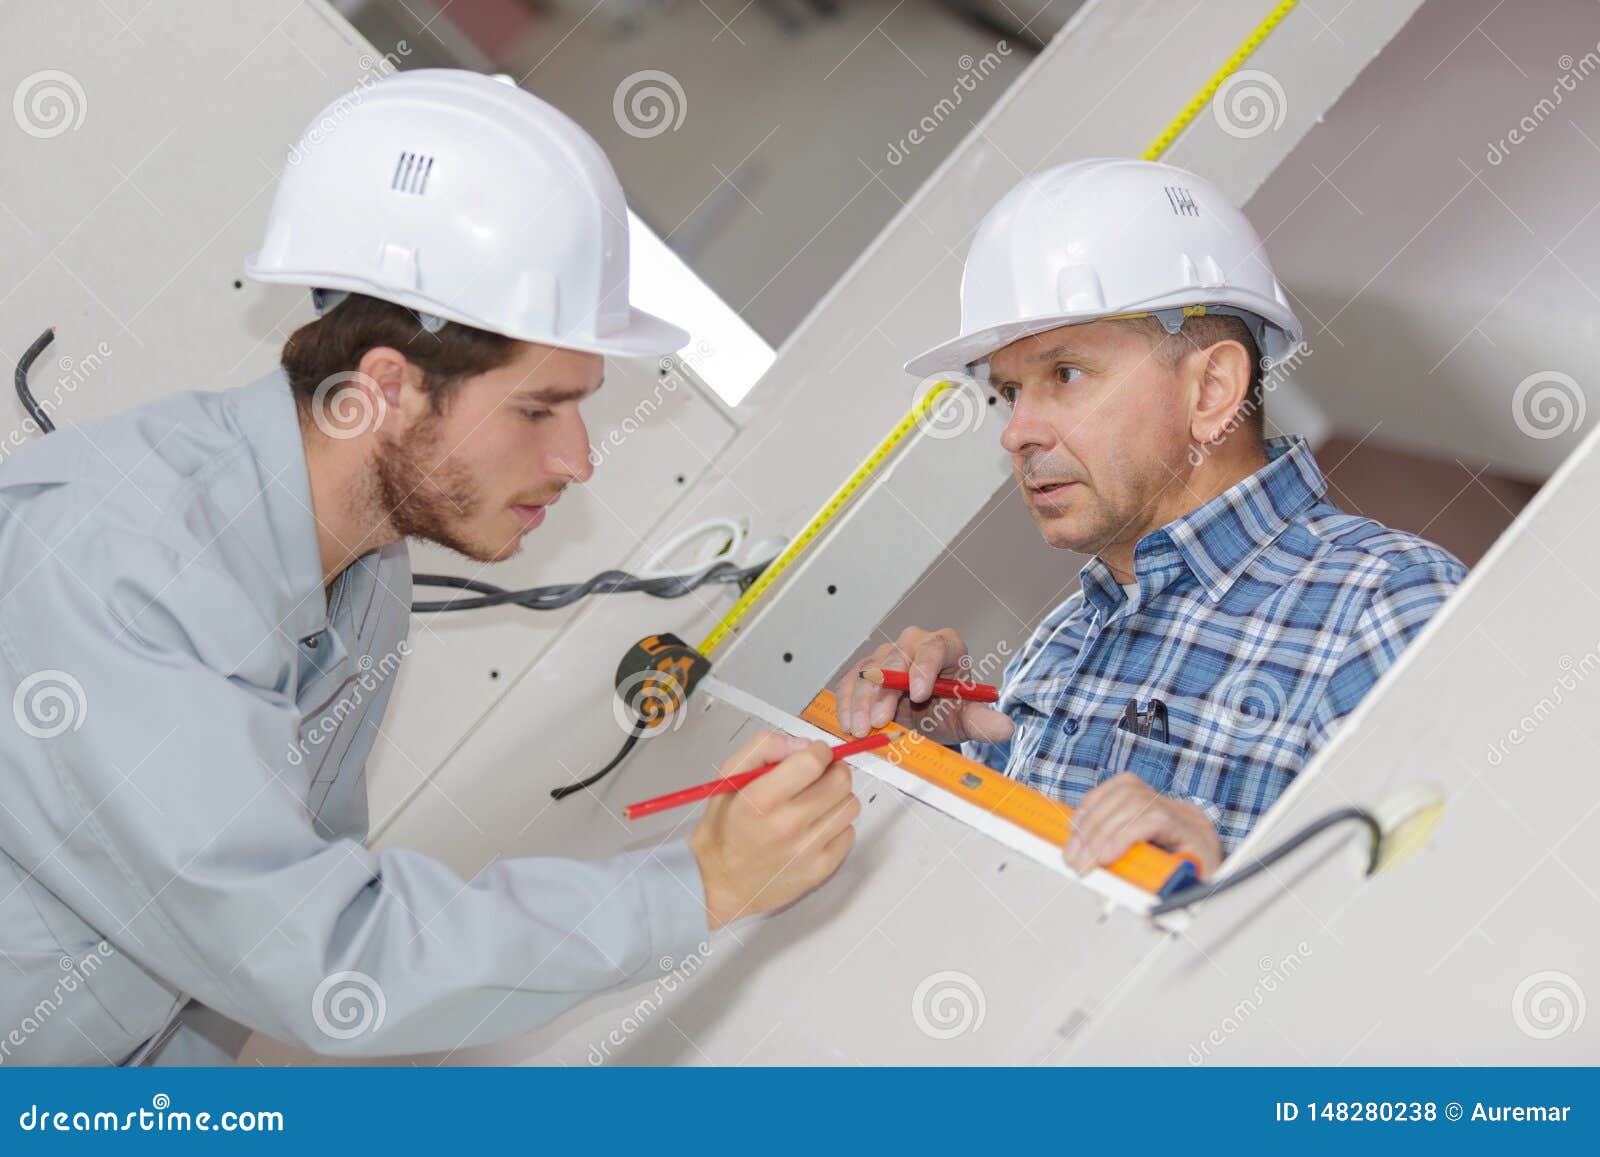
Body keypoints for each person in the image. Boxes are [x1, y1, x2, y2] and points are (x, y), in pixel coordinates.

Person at [0, 70, 858, 1066]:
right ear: (390, 389)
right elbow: (324, 956)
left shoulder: (364, 577)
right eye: (540, 409)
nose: (579, 459)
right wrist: (700, 882)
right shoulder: (122, 561)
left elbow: (206, 972)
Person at [836, 158, 1463, 881]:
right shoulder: (1069, 635)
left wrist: (1226, 874)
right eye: (1010, 392)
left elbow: (1474, 902)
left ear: (1213, 389)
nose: (1017, 432)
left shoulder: (1388, 606)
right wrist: (932, 741)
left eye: (1065, 374)